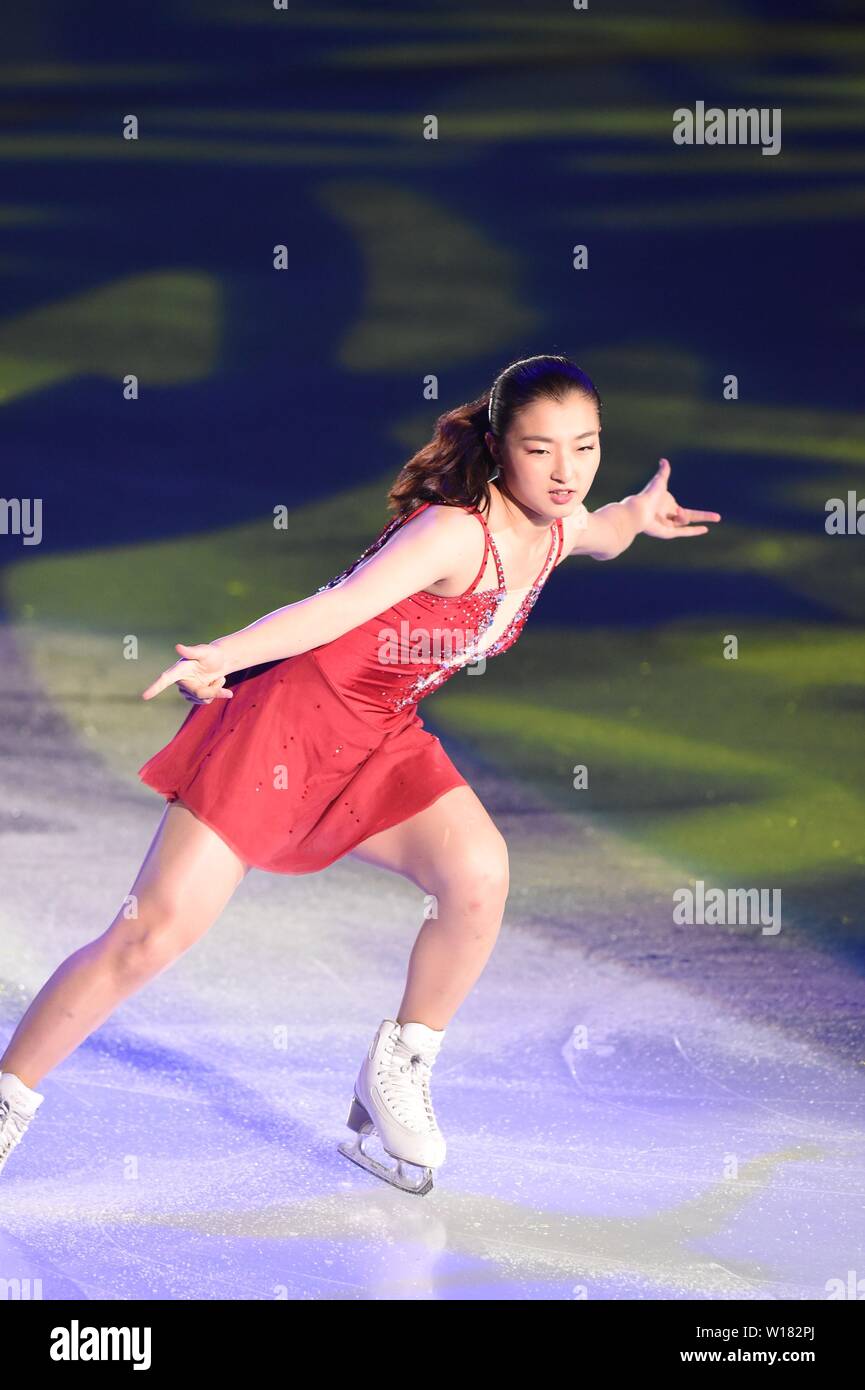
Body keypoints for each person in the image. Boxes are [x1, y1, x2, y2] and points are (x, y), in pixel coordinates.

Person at [0, 354, 721, 1194]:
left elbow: (601, 532)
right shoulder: (456, 532)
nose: (566, 473)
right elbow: (337, 607)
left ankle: (397, 1069)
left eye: (586, 447)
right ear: (498, 448)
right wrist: (225, 655)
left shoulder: (556, 525)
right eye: (540, 450)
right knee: (149, 936)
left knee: (478, 874)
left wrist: (637, 510)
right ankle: (8, 1097)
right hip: (284, 726)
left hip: (378, 733)